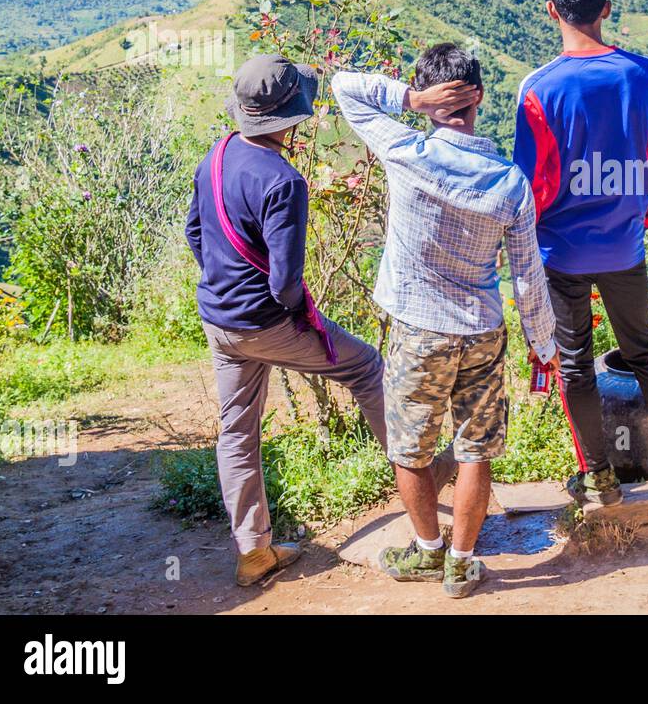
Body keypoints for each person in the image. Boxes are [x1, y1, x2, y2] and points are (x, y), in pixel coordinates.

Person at [186, 54, 469, 586]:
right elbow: (285, 283)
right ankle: (421, 476)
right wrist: (296, 321)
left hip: (219, 321)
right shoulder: (283, 181)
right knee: (366, 368)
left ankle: (253, 553)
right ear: (290, 118)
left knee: (237, 433)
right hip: (267, 323)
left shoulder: (216, 155)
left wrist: (226, 288)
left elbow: (195, 235)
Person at [331, 43, 559, 599]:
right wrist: (543, 344)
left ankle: (429, 552)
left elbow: (342, 86)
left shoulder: (404, 150)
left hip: (418, 329)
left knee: (410, 447)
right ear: (478, 97)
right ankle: (462, 564)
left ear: (433, 98)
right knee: (475, 446)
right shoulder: (509, 183)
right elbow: (527, 277)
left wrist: (407, 100)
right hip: (483, 330)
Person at [514, 0, 648, 506]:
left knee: (575, 366)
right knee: (644, 352)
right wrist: (640, 215)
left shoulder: (539, 89)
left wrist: (531, 238)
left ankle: (598, 478)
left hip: (561, 252)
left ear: (551, 11)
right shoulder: (645, 76)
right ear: (607, 9)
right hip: (624, 245)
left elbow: (533, 182)